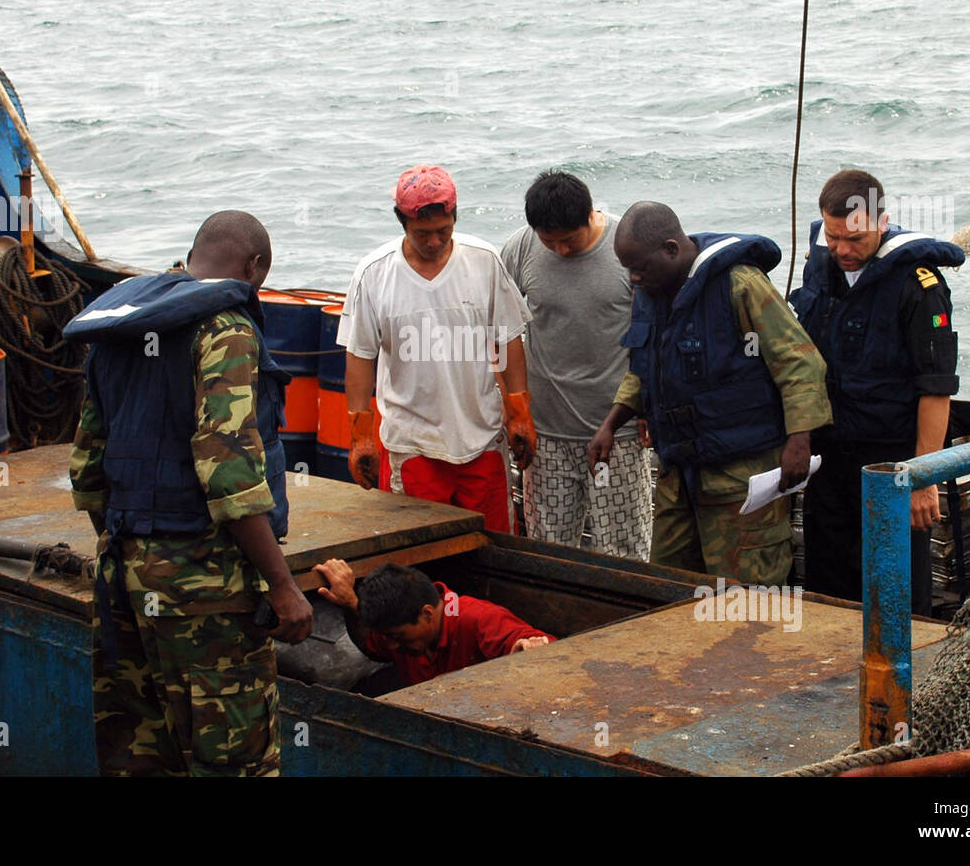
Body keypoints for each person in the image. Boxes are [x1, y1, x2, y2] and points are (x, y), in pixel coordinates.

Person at [64, 210, 313, 777]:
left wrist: (132, 551)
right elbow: (229, 474)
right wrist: (281, 585)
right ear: (253, 267)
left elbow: (87, 469)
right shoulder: (225, 330)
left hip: (122, 575)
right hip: (205, 588)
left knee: (140, 756)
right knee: (235, 761)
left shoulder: (122, 322)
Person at [587, 201, 832, 585]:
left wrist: (800, 440)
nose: (633, 278)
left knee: (748, 595)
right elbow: (645, 368)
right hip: (680, 475)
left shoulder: (740, 284)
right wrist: (611, 422)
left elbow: (799, 362)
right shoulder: (651, 292)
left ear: (671, 249)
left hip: (740, 476)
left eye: (640, 268)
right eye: (627, 269)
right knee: (669, 586)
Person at [789, 169, 965, 616]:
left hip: (889, 463)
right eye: (833, 237)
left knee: (896, 591)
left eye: (856, 239)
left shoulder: (918, 286)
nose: (844, 251)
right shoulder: (821, 267)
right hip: (828, 457)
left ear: (882, 222)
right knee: (828, 582)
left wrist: (921, 479)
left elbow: (936, 388)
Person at [339, 164, 537, 533]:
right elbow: (360, 356)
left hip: (482, 439)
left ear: (455, 217)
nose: (433, 242)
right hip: (412, 444)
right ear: (401, 222)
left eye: (443, 231)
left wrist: (519, 410)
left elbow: (508, 338)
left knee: (492, 546)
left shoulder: (484, 261)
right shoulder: (373, 273)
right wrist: (360, 434)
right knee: (420, 555)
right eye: (422, 234)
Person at [500, 171, 653, 559]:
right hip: (546, 435)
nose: (560, 251)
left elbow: (654, 335)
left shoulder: (626, 249)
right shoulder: (520, 249)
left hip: (615, 434)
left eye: (568, 240)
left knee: (621, 551)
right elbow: (499, 329)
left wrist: (649, 404)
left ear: (590, 215)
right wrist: (513, 409)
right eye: (549, 242)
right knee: (548, 547)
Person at [312, 559, 553, 687]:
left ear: (427, 613)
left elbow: (547, 650)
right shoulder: (402, 634)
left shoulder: (478, 619)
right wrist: (351, 604)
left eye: (397, 636)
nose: (393, 647)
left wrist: (527, 649)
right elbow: (370, 644)